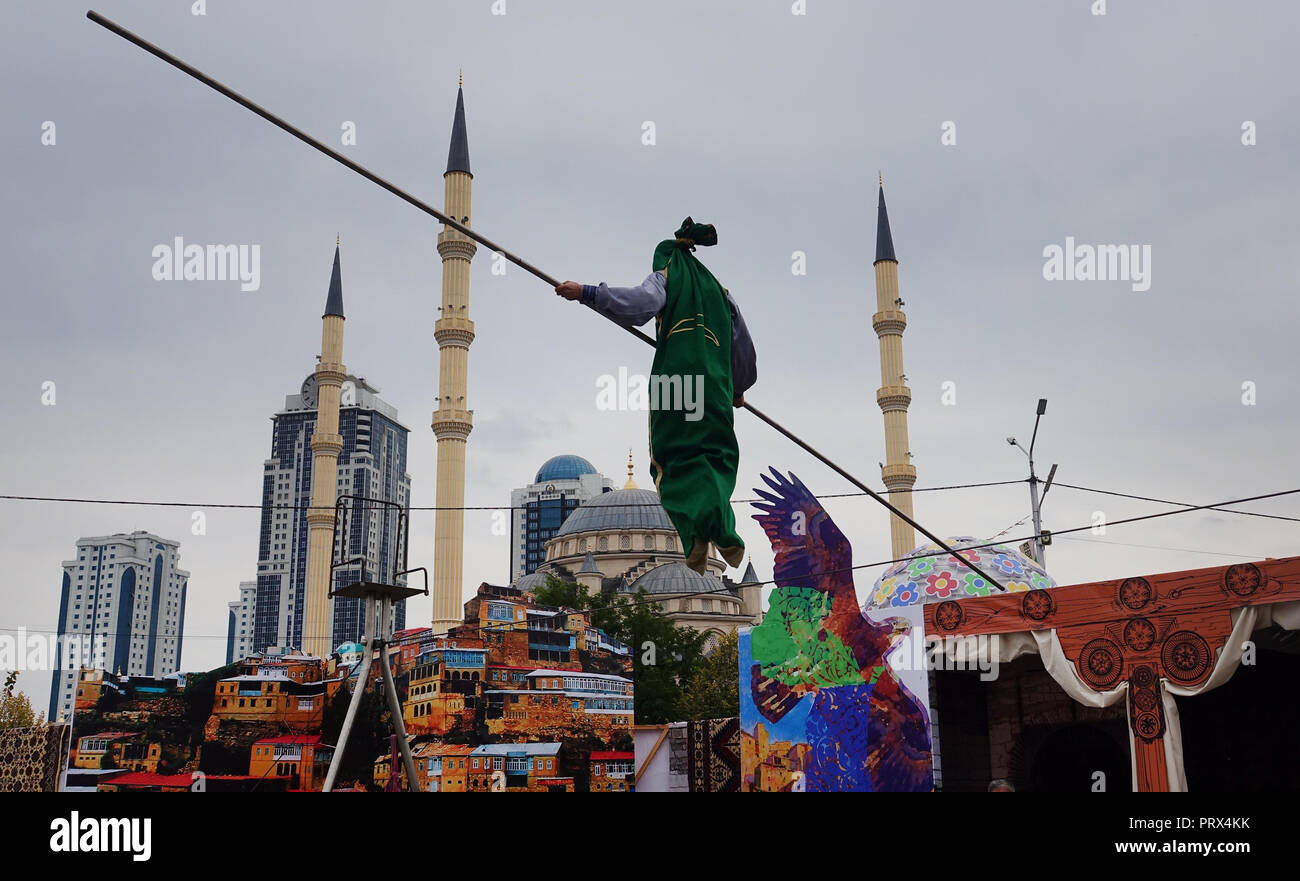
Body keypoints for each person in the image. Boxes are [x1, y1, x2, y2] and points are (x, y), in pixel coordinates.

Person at [555, 217, 757, 574]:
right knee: (715, 458)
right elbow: (743, 350)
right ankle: (726, 533)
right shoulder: (724, 296)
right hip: (715, 390)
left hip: (676, 382)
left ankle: (694, 534)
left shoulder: (667, 272)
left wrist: (587, 293)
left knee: (673, 460)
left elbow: (641, 304)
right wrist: (738, 388)